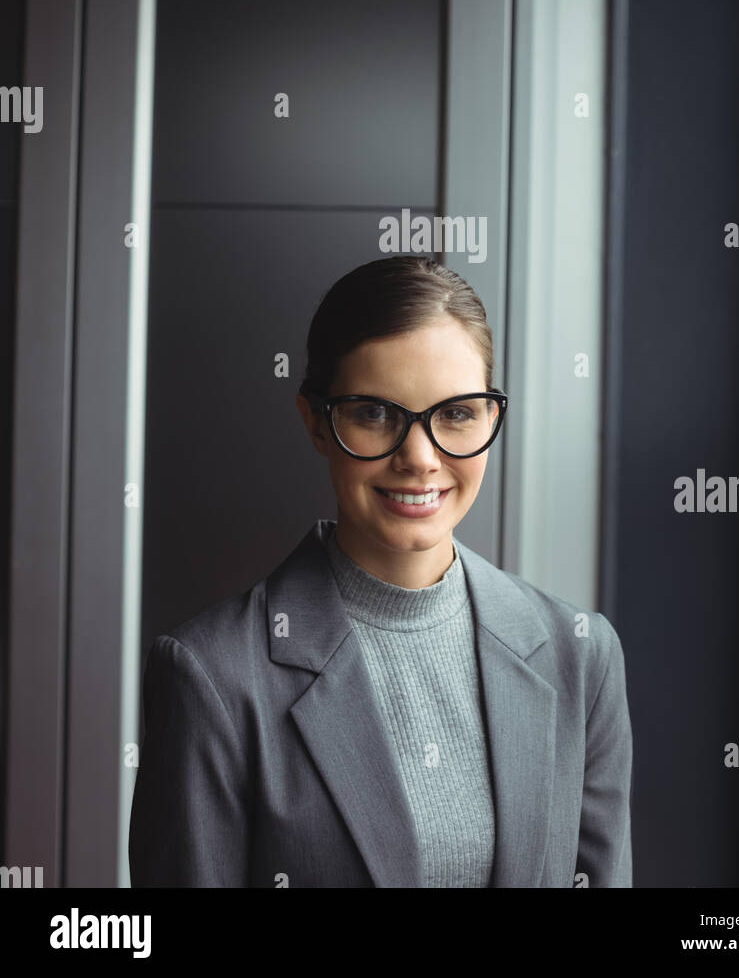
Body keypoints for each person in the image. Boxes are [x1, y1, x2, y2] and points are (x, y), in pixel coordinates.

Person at [128, 254, 633, 888]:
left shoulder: (580, 656)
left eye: (456, 413)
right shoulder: (212, 677)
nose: (420, 458)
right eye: (375, 413)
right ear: (316, 421)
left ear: (493, 419)